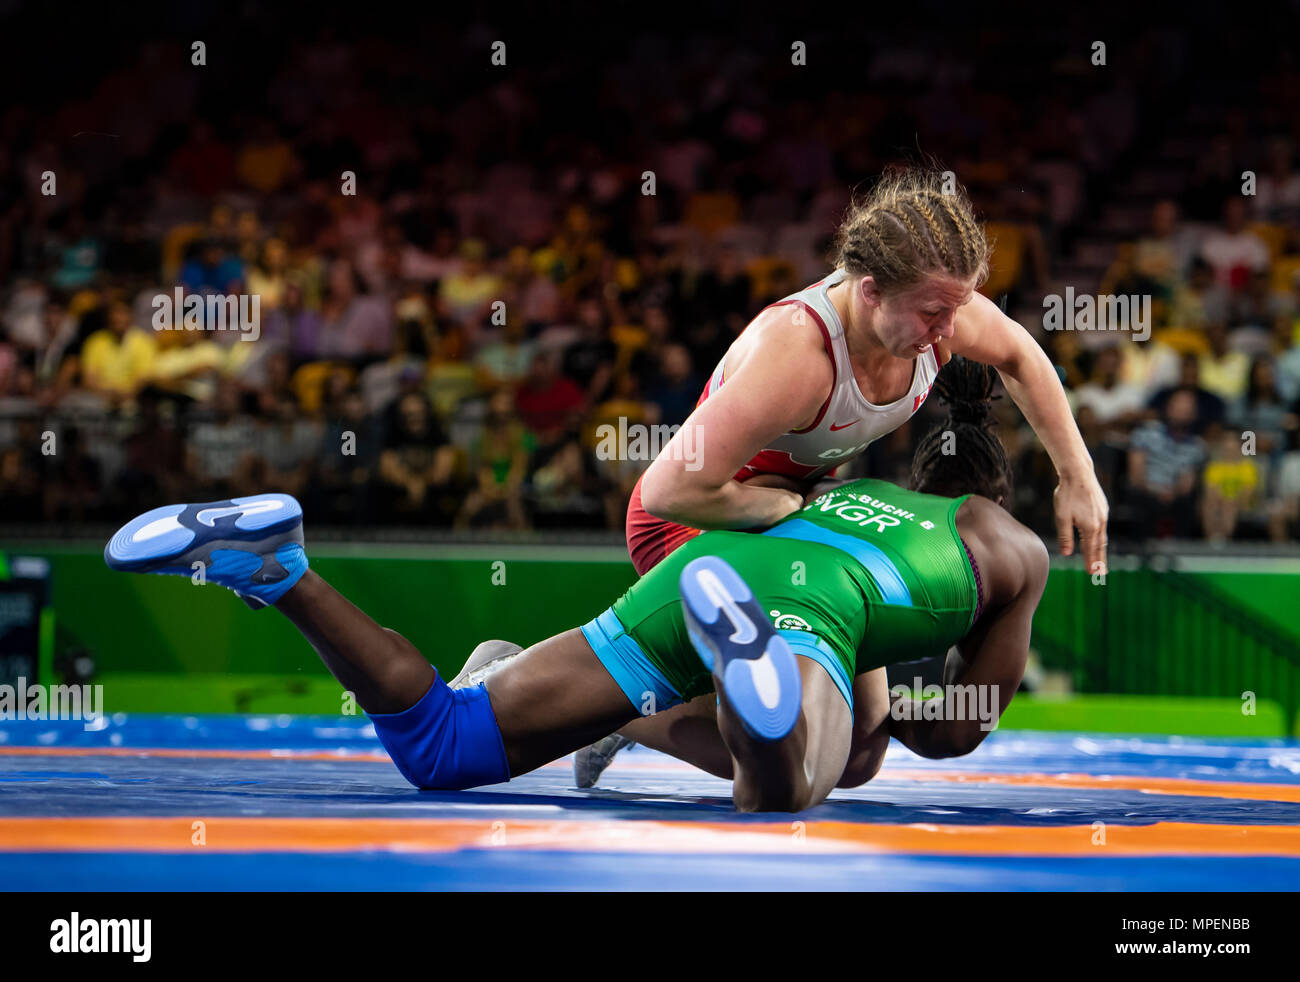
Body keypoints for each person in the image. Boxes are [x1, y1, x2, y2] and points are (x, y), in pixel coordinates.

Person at [103, 360, 1048, 812]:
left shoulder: (848, 486)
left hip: (706, 567)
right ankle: (760, 717)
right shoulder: (1010, 547)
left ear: (917, 478)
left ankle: (280, 570)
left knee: (445, 745)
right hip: (812, 611)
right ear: (993, 495)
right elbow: (956, 727)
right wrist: (890, 694)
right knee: (796, 784)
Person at [625, 166, 1107, 583]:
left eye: (958, 308)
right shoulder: (799, 356)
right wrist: (787, 506)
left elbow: (1023, 356)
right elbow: (669, 492)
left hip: (779, 503)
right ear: (871, 292)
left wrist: (1077, 475)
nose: (950, 331)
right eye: (933, 312)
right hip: (685, 519)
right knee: (830, 610)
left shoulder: (941, 311)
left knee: (858, 601)